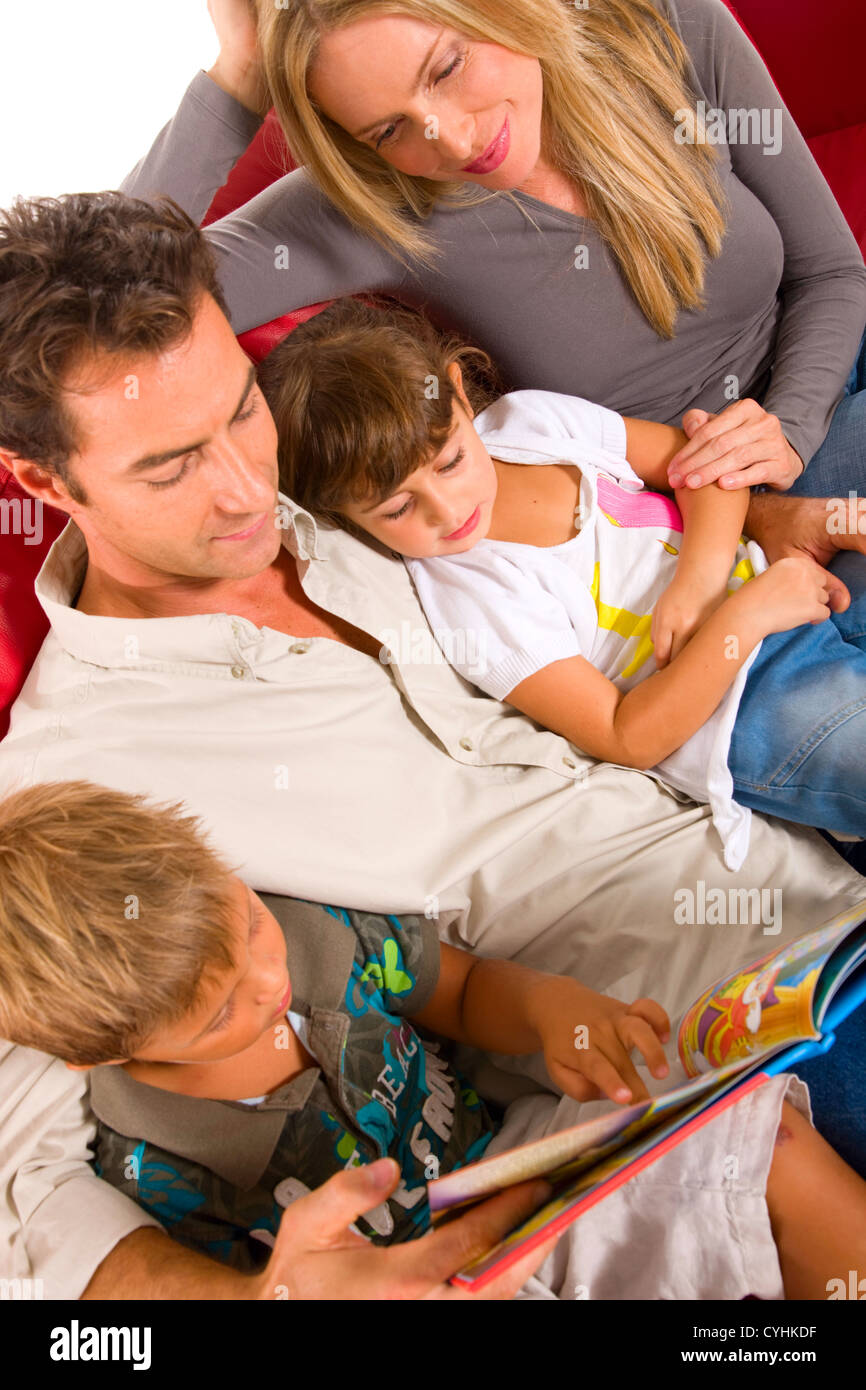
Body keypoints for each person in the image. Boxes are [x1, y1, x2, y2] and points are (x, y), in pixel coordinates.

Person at [1, 192, 865, 1299]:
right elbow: (23, 1178)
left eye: (241, 414)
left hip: (794, 853)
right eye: (170, 467)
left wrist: (751, 524)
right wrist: (263, 1300)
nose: (241, 486)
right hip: (708, 1029)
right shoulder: (60, 784)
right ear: (39, 481)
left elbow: (596, 501)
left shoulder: (354, 496)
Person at [2, 778, 865, 1300]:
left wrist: (549, 1011)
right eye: (220, 1011)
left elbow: (465, 988)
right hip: (423, 1279)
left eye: (251, 928)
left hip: (514, 1165)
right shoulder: (152, 1159)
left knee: (750, 1131)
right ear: (103, 1053)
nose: (270, 983)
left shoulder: (321, 930)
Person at [121, 0, 866, 505]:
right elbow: (106, 300)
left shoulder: (658, 22)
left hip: (832, 384)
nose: (451, 137)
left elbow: (830, 269)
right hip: (702, 497)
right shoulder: (370, 207)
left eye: (445, 68)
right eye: (389, 129)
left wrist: (792, 426)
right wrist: (238, 76)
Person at [258, 296, 866, 872]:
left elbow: (700, 465)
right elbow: (627, 737)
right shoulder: (471, 600)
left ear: (460, 394)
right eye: (397, 510)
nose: (447, 510)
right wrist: (744, 617)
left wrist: (702, 581)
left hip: (784, 577)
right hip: (741, 703)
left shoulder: (533, 423)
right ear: (344, 516)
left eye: (449, 462)